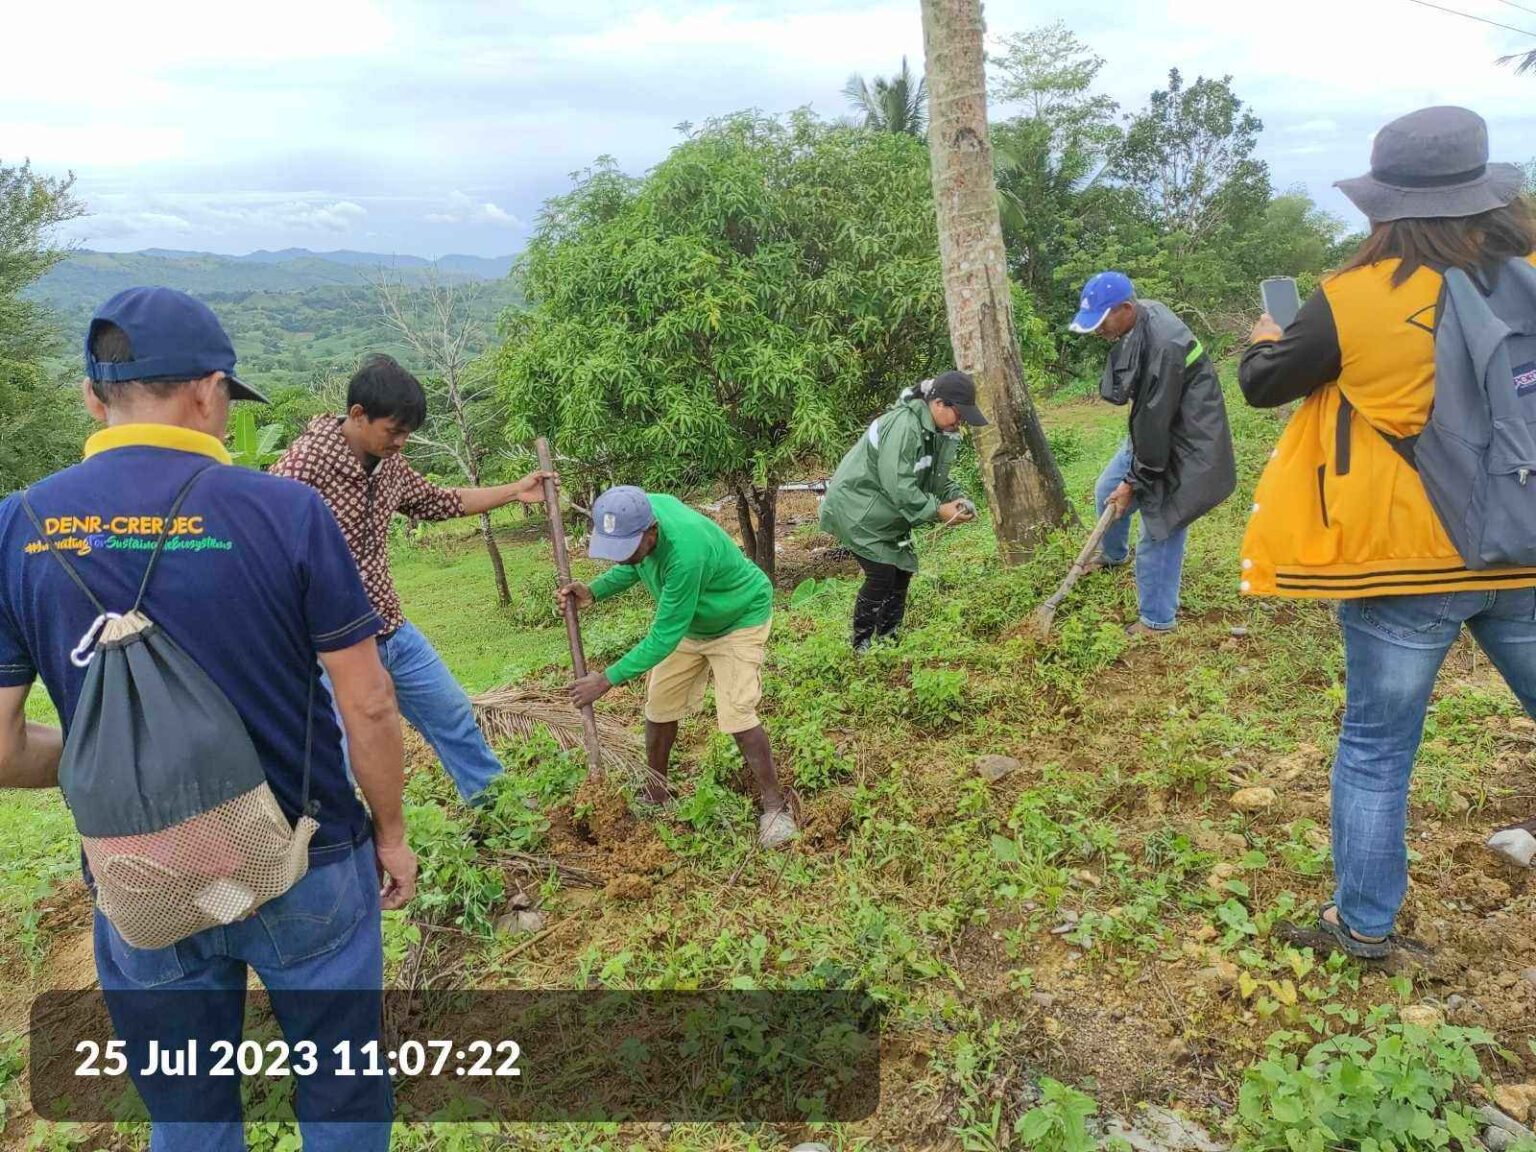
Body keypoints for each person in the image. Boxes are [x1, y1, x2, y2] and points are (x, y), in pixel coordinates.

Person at [0, 287, 414, 1149]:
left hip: (138, 876)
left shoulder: (18, 527)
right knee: (341, 1095)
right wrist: (393, 831)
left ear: (92, 397)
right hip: (304, 856)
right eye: (227, 400)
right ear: (206, 391)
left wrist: (106, 758)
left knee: (189, 1114)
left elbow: (2, 747)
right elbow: (367, 700)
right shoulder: (284, 511)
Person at [1237, 105, 1536, 958]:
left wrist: (1266, 334)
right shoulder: (1528, 277)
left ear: (1385, 206)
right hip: (1521, 544)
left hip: (1408, 564)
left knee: (1375, 750)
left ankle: (1363, 926)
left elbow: (1265, 382)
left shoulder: (1356, 298)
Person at [271, 354, 552, 805]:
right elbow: (261, 536)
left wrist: (515, 489)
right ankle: (343, 848)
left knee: (452, 713)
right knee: (333, 756)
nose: (401, 442)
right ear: (359, 415)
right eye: (394, 431)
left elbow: (440, 501)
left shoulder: (390, 466)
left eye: (407, 433)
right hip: (325, 646)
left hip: (389, 628)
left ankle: (498, 809)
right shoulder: (304, 465)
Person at [558, 486, 797, 848]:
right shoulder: (637, 512)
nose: (621, 558)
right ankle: (657, 792)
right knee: (660, 705)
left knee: (737, 711)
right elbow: (637, 565)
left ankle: (775, 806)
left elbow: (663, 638)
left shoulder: (685, 554)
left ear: (651, 531)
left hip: (738, 618)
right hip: (693, 622)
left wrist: (606, 679)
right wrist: (594, 591)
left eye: (627, 548)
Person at [1070, 271, 1237, 636]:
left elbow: (1155, 426)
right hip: (1153, 431)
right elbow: (1144, 415)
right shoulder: (1142, 314)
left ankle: (1157, 621)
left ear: (1126, 308)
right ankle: (1114, 556)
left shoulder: (1164, 346)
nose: (1098, 331)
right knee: (1105, 492)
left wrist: (1134, 481)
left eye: (1101, 321)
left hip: (1186, 440)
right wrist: (1128, 478)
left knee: (1161, 523)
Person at [818, 370, 984, 651]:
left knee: (901, 571)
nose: (962, 421)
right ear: (939, 404)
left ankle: (888, 639)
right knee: (881, 574)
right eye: (959, 413)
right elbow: (899, 486)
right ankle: (861, 646)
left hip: (884, 514)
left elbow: (934, 476)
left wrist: (955, 497)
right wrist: (936, 511)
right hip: (858, 509)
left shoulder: (933, 430)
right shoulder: (904, 425)